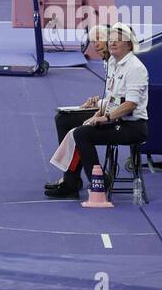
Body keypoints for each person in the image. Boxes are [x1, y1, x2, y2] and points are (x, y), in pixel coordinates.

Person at [47, 23, 148, 200]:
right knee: (64, 120)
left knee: (82, 134)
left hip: (131, 126)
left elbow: (130, 104)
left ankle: (99, 182)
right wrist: (97, 111)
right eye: (111, 40)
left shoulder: (135, 68)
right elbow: (112, 97)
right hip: (113, 117)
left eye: (118, 40)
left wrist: (105, 118)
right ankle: (71, 182)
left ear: (129, 45)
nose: (112, 43)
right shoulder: (112, 63)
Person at [44, 23, 112, 198]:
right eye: (93, 40)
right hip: (107, 109)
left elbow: (121, 100)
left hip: (115, 115)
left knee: (65, 121)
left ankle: (72, 180)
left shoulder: (117, 62)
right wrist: (98, 100)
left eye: (100, 39)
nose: (96, 44)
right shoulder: (108, 62)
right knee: (63, 118)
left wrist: (101, 105)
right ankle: (71, 178)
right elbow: (114, 93)